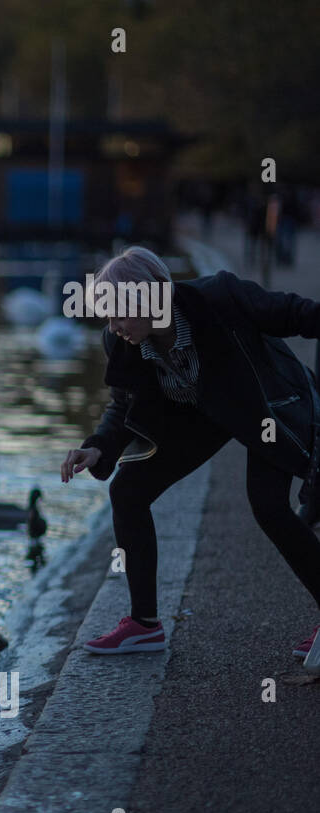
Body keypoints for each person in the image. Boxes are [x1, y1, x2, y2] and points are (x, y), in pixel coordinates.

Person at [60, 246, 320, 658]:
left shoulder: (221, 298)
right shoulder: (120, 339)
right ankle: (143, 626)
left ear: (149, 299)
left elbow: (297, 314)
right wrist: (97, 447)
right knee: (127, 490)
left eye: (119, 313)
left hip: (262, 406)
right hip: (200, 416)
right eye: (107, 316)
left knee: (268, 506)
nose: (112, 326)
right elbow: (123, 402)